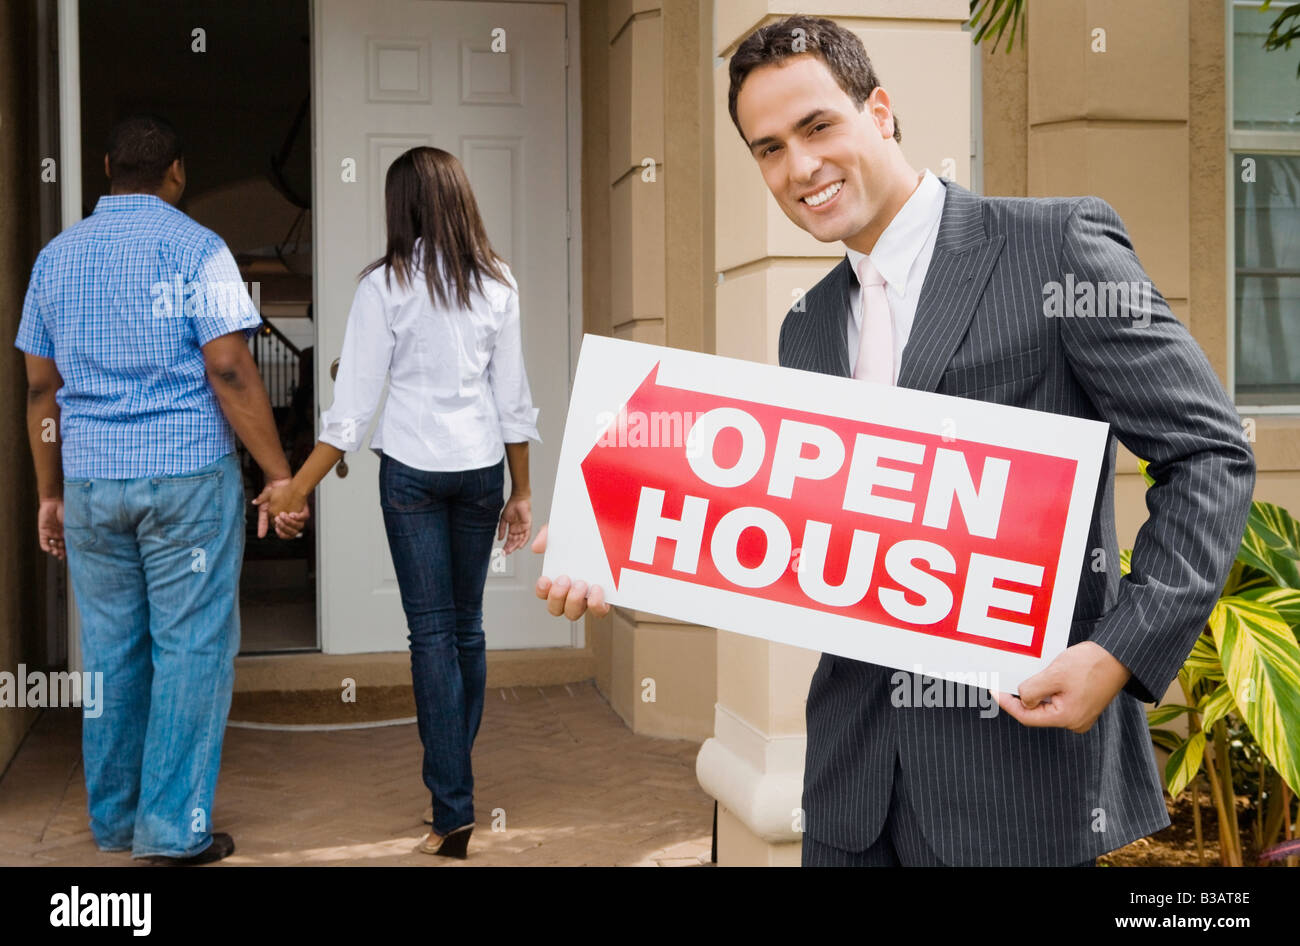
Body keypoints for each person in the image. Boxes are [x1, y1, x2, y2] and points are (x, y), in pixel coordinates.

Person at [533, 15, 1255, 866]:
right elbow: (795, 543)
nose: (799, 168)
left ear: (879, 110)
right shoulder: (807, 328)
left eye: (816, 126)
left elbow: (1208, 452)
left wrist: (1117, 651)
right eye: (768, 149)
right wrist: (613, 540)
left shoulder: (1055, 247)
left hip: (1014, 786)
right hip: (849, 791)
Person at [16, 113, 293, 864]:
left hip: (92, 482)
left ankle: (115, 822)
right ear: (177, 173)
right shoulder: (198, 250)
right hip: (184, 483)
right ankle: (171, 831)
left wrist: (50, 494)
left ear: (106, 166)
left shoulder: (56, 258)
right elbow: (230, 368)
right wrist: (277, 474)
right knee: (191, 650)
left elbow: (42, 392)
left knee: (110, 654)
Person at [267, 146, 539, 860]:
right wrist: (524, 491)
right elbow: (514, 400)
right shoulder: (498, 281)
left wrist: (298, 487)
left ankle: (452, 806)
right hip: (482, 471)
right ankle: (456, 775)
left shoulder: (384, 285)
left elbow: (350, 414)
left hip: (414, 474)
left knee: (432, 636)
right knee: (467, 629)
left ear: (402, 206)